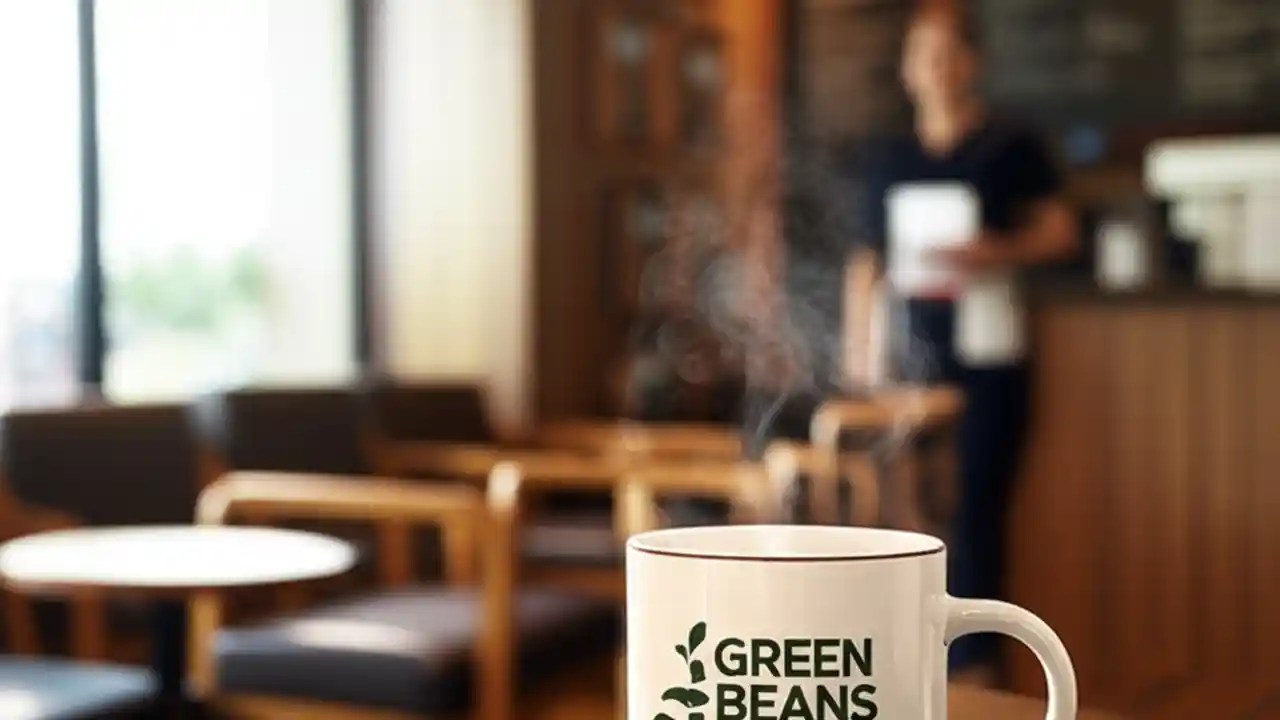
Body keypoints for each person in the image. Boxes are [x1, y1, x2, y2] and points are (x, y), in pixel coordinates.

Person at [844, 0, 1080, 683]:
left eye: (949, 54)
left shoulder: (1012, 147)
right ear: (906, 69)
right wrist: (859, 357)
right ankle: (909, 663)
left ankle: (977, 671)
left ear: (972, 63)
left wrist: (997, 249)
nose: (937, 69)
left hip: (988, 361)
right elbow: (866, 263)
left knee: (978, 513)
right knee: (908, 515)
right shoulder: (889, 157)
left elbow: (1061, 232)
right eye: (923, 55)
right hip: (908, 367)